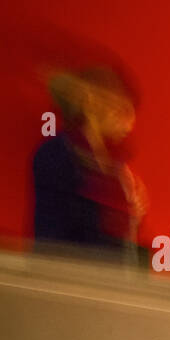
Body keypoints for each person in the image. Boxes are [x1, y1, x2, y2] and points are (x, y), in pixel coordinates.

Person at [32, 66, 147, 262]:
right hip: (68, 278)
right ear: (91, 102)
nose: (130, 123)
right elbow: (56, 234)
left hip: (105, 280)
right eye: (121, 110)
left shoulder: (115, 167)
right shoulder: (57, 153)